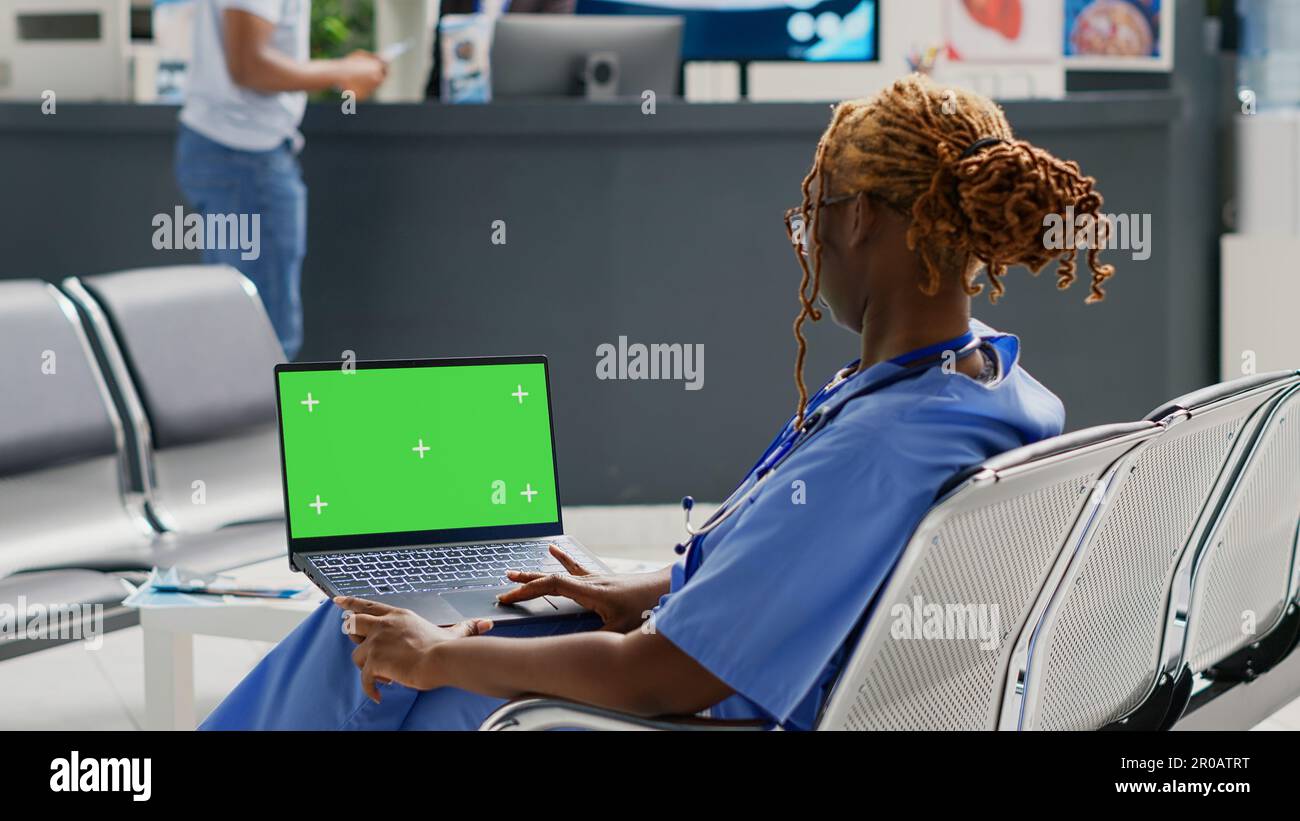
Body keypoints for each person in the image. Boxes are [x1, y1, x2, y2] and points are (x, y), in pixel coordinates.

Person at [202, 74, 1116, 731]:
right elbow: (822, 576)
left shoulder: (881, 446)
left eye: (816, 212)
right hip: (756, 684)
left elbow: (656, 678)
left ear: (860, 219)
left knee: (362, 644)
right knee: (421, 643)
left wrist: (432, 653)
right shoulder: (987, 392)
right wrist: (652, 586)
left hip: (686, 714)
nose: (812, 242)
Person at [175, 0, 387, 359]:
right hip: (245, 156)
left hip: (232, 153)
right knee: (263, 342)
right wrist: (343, 70)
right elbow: (249, 66)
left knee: (237, 328)